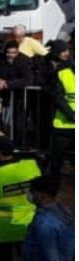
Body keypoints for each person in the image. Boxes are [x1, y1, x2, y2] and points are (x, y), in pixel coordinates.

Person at [50, 47, 74, 178]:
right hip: (64, 126)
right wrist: (73, 115)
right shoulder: (63, 73)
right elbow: (58, 97)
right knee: (57, 161)